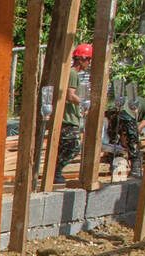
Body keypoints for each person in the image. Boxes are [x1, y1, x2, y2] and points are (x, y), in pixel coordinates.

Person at [54, 43, 92, 185]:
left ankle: (55, 172)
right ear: (81, 59)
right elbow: (70, 95)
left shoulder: (71, 74)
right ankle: (56, 171)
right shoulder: (72, 74)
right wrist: (84, 103)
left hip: (70, 117)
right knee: (74, 146)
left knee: (64, 147)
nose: (89, 63)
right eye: (88, 59)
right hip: (68, 119)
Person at [106, 80, 145, 178]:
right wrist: (130, 138)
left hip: (112, 109)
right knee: (133, 141)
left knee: (114, 140)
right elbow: (138, 128)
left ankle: (114, 167)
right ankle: (135, 170)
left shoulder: (142, 103)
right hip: (126, 111)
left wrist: (123, 137)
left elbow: (121, 129)